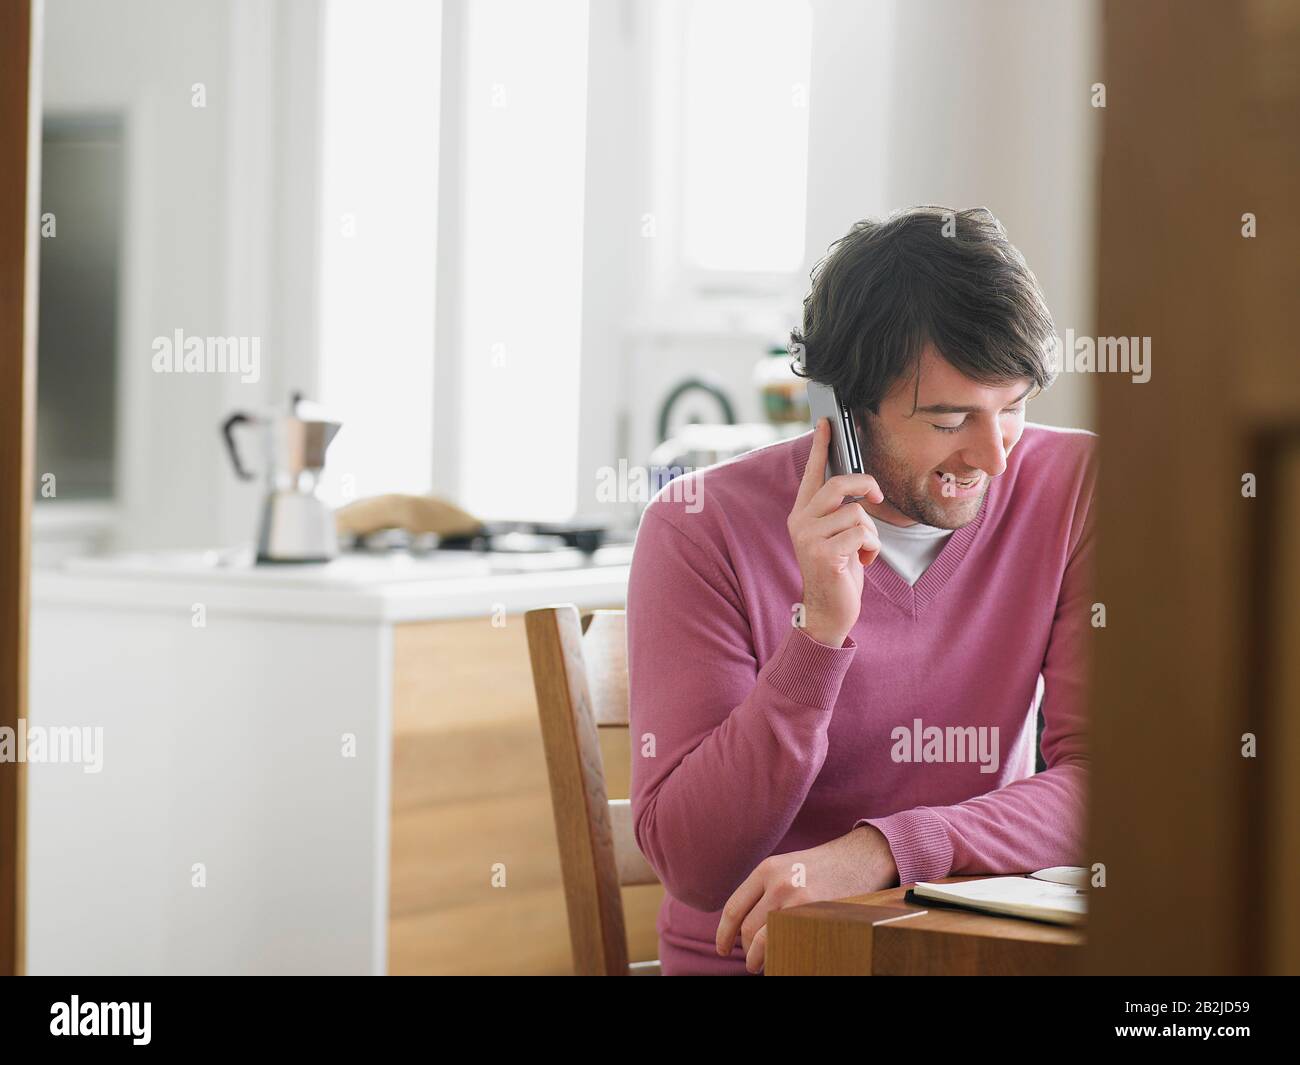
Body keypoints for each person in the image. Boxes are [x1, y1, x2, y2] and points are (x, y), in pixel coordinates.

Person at [626, 206, 1096, 974]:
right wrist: (817, 637)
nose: (994, 457)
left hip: (966, 954)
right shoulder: (697, 527)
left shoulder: (1075, 490)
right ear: (839, 409)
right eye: (949, 419)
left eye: (1011, 410)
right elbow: (697, 865)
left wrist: (883, 851)